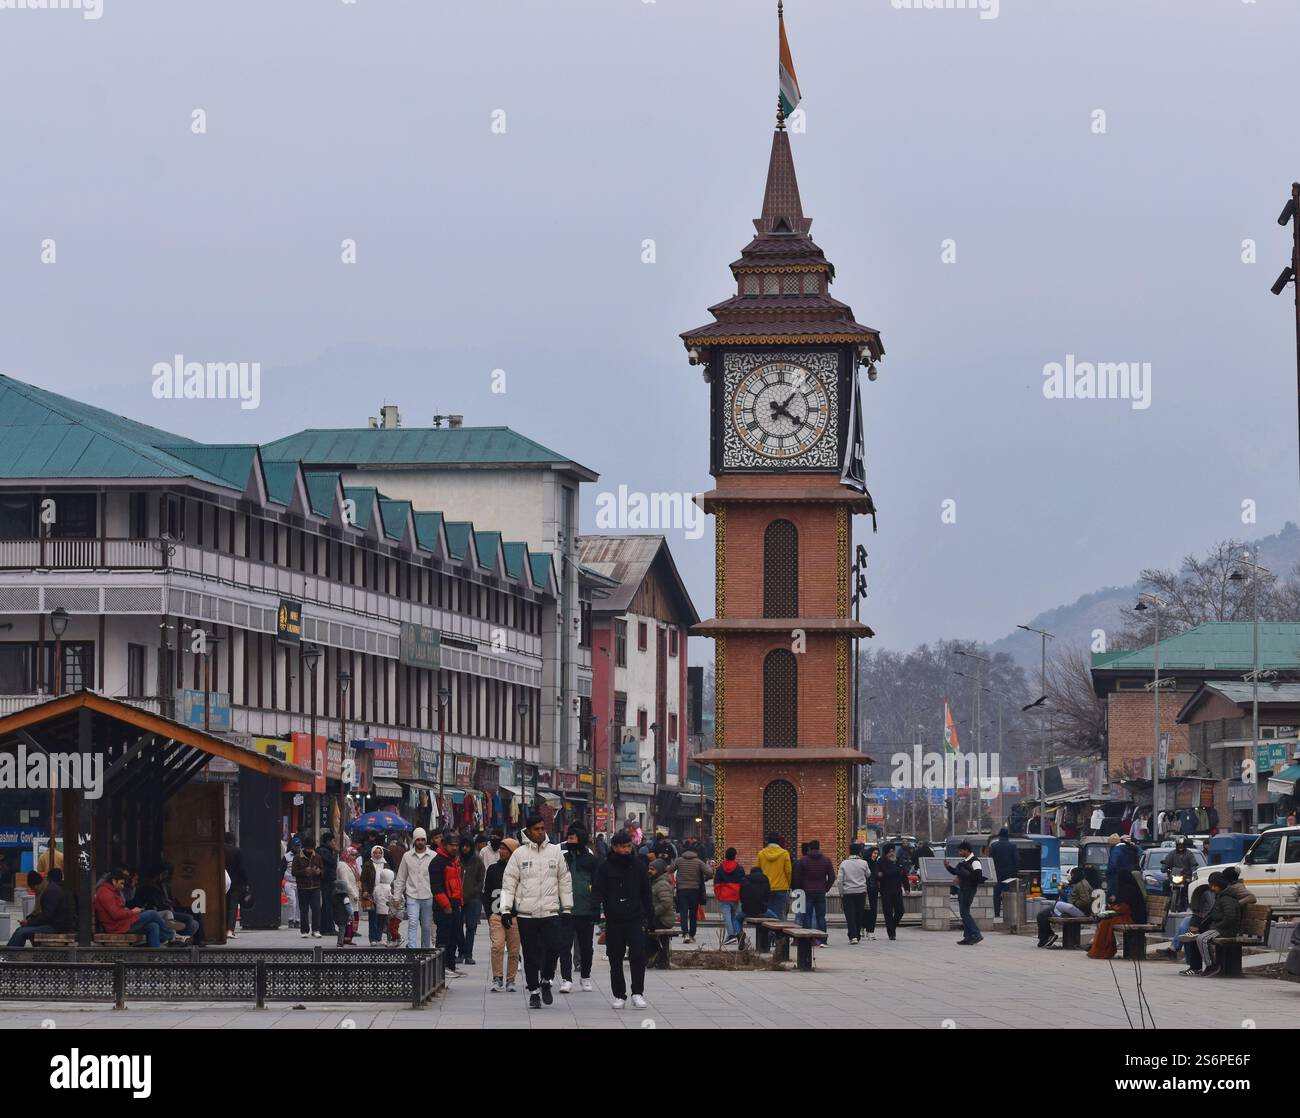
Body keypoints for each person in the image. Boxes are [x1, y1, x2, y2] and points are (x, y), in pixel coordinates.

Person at [499, 813, 573, 1008]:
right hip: (526, 914)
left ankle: (546, 980)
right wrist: (506, 909)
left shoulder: (555, 852)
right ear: (529, 831)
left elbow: (564, 880)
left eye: (543, 828)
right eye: (537, 829)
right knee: (531, 954)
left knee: (554, 947)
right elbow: (509, 884)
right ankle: (533, 991)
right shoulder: (519, 854)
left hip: (550, 912)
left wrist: (566, 908)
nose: (541, 832)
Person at [594, 830, 653, 1010]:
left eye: (628, 846)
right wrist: (595, 913)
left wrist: (650, 917)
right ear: (614, 847)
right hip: (614, 920)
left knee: (637, 955)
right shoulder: (605, 867)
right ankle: (619, 995)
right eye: (622, 846)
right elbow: (598, 891)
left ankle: (637, 993)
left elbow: (646, 893)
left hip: (635, 917)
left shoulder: (638, 866)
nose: (626, 850)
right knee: (615, 958)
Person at [1089, 835, 1146, 959]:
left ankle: (1101, 950)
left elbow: (1125, 907)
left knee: (1105, 924)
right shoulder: (1132, 850)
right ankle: (1098, 948)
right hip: (1126, 913)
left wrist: (1112, 910)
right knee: (1105, 923)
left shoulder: (1117, 853)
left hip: (1130, 916)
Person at [560, 824, 599, 992]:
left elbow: (597, 886)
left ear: (580, 840)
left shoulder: (591, 860)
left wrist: (596, 909)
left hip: (585, 910)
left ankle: (585, 976)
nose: (569, 841)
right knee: (564, 945)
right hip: (566, 909)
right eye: (568, 838)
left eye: (572, 838)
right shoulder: (563, 858)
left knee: (586, 947)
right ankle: (566, 978)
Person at [93, 869, 175, 947]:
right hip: (117, 927)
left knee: (153, 926)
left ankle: (154, 956)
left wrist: (130, 911)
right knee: (152, 913)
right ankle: (171, 936)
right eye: (121, 883)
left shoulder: (110, 891)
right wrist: (132, 912)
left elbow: (118, 910)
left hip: (122, 923)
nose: (122, 886)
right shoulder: (105, 893)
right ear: (114, 881)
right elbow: (116, 914)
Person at [1181, 872, 1240, 977]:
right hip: (1219, 927)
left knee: (1202, 938)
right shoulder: (1220, 896)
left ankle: (1211, 966)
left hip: (1225, 929)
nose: (1212, 888)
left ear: (1220, 884)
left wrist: (1216, 927)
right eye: (1211, 885)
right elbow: (1212, 914)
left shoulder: (1227, 898)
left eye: (1214, 885)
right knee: (1193, 936)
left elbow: (1229, 918)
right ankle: (1195, 967)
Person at [485, 837, 522, 992]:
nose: (501, 851)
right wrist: (489, 913)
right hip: (496, 913)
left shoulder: (519, 869)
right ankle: (497, 978)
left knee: (514, 950)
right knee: (497, 946)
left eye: (505, 849)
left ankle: (511, 979)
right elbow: (486, 892)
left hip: (515, 915)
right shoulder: (493, 869)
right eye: (500, 848)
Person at [7, 868, 75, 947]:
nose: (34, 892)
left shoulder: (51, 892)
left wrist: (29, 923)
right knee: (21, 930)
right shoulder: (50, 889)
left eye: (33, 889)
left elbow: (47, 916)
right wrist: (30, 921)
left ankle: (8, 956)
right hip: (56, 924)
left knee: (21, 932)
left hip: (56, 927)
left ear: (36, 885)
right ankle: (12, 955)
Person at [392, 827, 435, 949]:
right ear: (414, 841)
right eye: (418, 840)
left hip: (428, 895)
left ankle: (425, 949)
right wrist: (397, 897)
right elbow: (401, 877)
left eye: (422, 839)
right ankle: (411, 949)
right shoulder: (407, 856)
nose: (420, 842)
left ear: (425, 840)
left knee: (426, 926)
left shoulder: (433, 856)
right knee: (412, 923)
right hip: (412, 895)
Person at [430, 831, 465, 975]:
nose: (455, 848)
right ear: (444, 845)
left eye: (456, 845)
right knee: (444, 937)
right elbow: (436, 888)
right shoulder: (437, 862)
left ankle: (450, 965)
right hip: (443, 907)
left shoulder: (454, 860)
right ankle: (441, 967)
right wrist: (446, 905)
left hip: (455, 905)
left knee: (454, 937)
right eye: (451, 845)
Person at [1036, 867, 1093, 947]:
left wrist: (1072, 902)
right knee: (1042, 914)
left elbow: (1084, 900)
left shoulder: (1081, 884)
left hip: (1076, 909)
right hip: (1068, 907)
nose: (1071, 877)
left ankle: (1047, 936)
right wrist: (1061, 887)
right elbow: (1057, 886)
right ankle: (1045, 937)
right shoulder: (1073, 884)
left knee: (1044, 914)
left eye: (1072, 875)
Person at [671, 839, 712, 944]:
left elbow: (670, 870)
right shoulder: (698, 861)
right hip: (694, 890)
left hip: (682, 890)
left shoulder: (679, 860)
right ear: (695, 853)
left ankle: (685, 934)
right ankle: (692, 934)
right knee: (693, 914)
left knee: (683, 913)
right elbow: (709, 872)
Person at [945, 841, 986, 946]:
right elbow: (956, 872)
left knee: (964, 913)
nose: (959, 852)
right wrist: (948, 867)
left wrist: (965, 877)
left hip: (969, 889)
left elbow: (978, 876)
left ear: (967, 850)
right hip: (963, 888)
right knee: (964, 913)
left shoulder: (975, 861)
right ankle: (967, 937)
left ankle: (976, 934)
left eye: (961, 850)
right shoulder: (964, 862)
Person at [794, 839, 834, 945]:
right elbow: (832, 877)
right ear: (819, 847)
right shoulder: (826, 860)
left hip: (807, 892)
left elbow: (797, 877)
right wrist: (826, 888)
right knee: (821, 916)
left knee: (807, 915)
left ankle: (808, 939)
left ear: (809, 848)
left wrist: (800, 888)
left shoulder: (803, 860)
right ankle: (823, 940)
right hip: (821, 891)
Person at [459, 834, 486, 966]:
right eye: (463, 846)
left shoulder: (478, 861)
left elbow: (481, 881)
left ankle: (468, 955)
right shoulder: (457, 860)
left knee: (470, 926)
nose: (465, 848)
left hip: (473, 898)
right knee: (458, 927)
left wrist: (472, 892)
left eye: (467, 846)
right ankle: (461, 953)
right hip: (458, 898)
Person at [836, 844, 870, 944]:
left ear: (849, 852)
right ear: (860, 852)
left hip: (848, 892)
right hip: (860, 892)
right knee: (859, 914)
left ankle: (853, 936)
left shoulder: (844, 863)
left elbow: (839, 881)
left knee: (850, 915)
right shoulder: (864, 863)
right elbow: (868, 874)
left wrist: (841, 893)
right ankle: (857, 935)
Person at [713, 848, 747, 945]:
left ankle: (731, 935)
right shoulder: (739, 868)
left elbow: (716, 883)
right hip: (736, 894)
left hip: (724, 895)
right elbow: (743, 882)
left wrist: (717, 894)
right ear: (735, 856)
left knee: (727, 916)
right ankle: (738, 933)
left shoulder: (720, 868)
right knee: (735, 916)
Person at [291, 840, 324, 938]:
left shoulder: (317, 857)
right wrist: (304, 871)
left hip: (315, 886)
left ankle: (316, 930)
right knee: (303, 909)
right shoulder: (298, 857)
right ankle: (304, 930)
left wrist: (319, 872)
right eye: (308, 848)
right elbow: (294, 872)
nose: (310, 851)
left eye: (311, 849)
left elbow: (322, 870)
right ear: (304, 847)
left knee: (316, 909)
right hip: (302, 887)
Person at [757, 833, 793, 920]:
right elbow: (788, 871)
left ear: (767, 841)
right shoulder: (784, 853)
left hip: (765, 889)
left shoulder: (761, 854)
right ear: (778, 841)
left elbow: (758, 871)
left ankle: (768, 933)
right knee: (780, 915)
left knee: (766, 915)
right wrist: (788, 884)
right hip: (781, 888)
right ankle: (778, 934)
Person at [878, 844, 907, 941]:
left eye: (893, 851)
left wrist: (907, 887)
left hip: (897, 890)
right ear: (886, 853)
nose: (891, 853)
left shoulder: (899, 860)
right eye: (889, 852)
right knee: (888, 912)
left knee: (900, 911)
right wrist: (898, 868)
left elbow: (904, 875)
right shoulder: (881, 861)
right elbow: (886, 873)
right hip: (886, 890)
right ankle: (891, 933)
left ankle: (892, 927)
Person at [988, 827, 1018, 919]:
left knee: (996, 894)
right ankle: (1007, 912)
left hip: (997, 873)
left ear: (999, 835)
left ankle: (997, 913)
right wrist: (1015, 872)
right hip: (1008, 874)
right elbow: (1016, 860)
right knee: (1007, 893)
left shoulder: (994, 846)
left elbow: (990, 860)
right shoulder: (1012, 846)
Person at [361, 845, 388, 946]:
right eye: (376, 853)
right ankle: (372, 938)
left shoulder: (385, 864)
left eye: (379, 853)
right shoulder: (368, 864)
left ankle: (379, 937)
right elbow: (363, 880)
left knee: (382, 917)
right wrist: (365, 890)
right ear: (372, 853)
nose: (377, 854)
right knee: (373, 917)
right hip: (371, 894)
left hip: (383, 895)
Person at [223, 830, 246, 938]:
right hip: (235, 883)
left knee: (223, 905)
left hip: (221, 882)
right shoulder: (237, 851)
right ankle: (229, 930)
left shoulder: (219, 850)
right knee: (232, 907)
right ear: (233, 840)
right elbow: (242, 869)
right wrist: (246, 882)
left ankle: (221, 929)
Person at [317, 831, 339, 937]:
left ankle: (325, 928)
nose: (335, 843)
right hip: (326, 881)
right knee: (328, 905)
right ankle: (328, 928)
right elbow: (332, 862)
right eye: (333, 841)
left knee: (327, 905)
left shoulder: (326, 850)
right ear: (328, 841)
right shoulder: (324, 851)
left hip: (328, 880)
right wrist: (335, 852)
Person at [648, 858, 676, 934]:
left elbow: (666, 903)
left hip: (664, 920)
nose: (649, 871)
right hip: (659, 918)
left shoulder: (662, 884)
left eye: (652, 869)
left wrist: (652, 912)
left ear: (659, 870)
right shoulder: (655, 882)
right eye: (649, 869)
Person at [740, 864, 772, 929]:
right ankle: (772, 937)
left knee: (736, 920)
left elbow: (741, 896)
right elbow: (768, 896)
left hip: (746, 910)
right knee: (776, 918)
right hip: (762, 910)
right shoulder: (765, 879)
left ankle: (739, 935)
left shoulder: (745, 880)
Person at [863, 846, 882, 941]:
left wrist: (879, 875)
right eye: (874, 853)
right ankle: (862, 928)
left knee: (873, 911)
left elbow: (877, 876)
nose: (875, 855)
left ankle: (870, 931)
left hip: (874, 889)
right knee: (864, 910)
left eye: (877, 853)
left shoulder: (877, 864)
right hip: (864, 890)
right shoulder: (864, 863)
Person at [282, 838, 300, 929]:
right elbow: (282, 870)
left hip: (299, 882)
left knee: (299, 902)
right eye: (296, 846)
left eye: (298, 846)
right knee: (292, 901)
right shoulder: (286, 857)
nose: (297, 848)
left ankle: (297, 920)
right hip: (289, 882)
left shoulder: (302, 856)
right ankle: (290, 919)